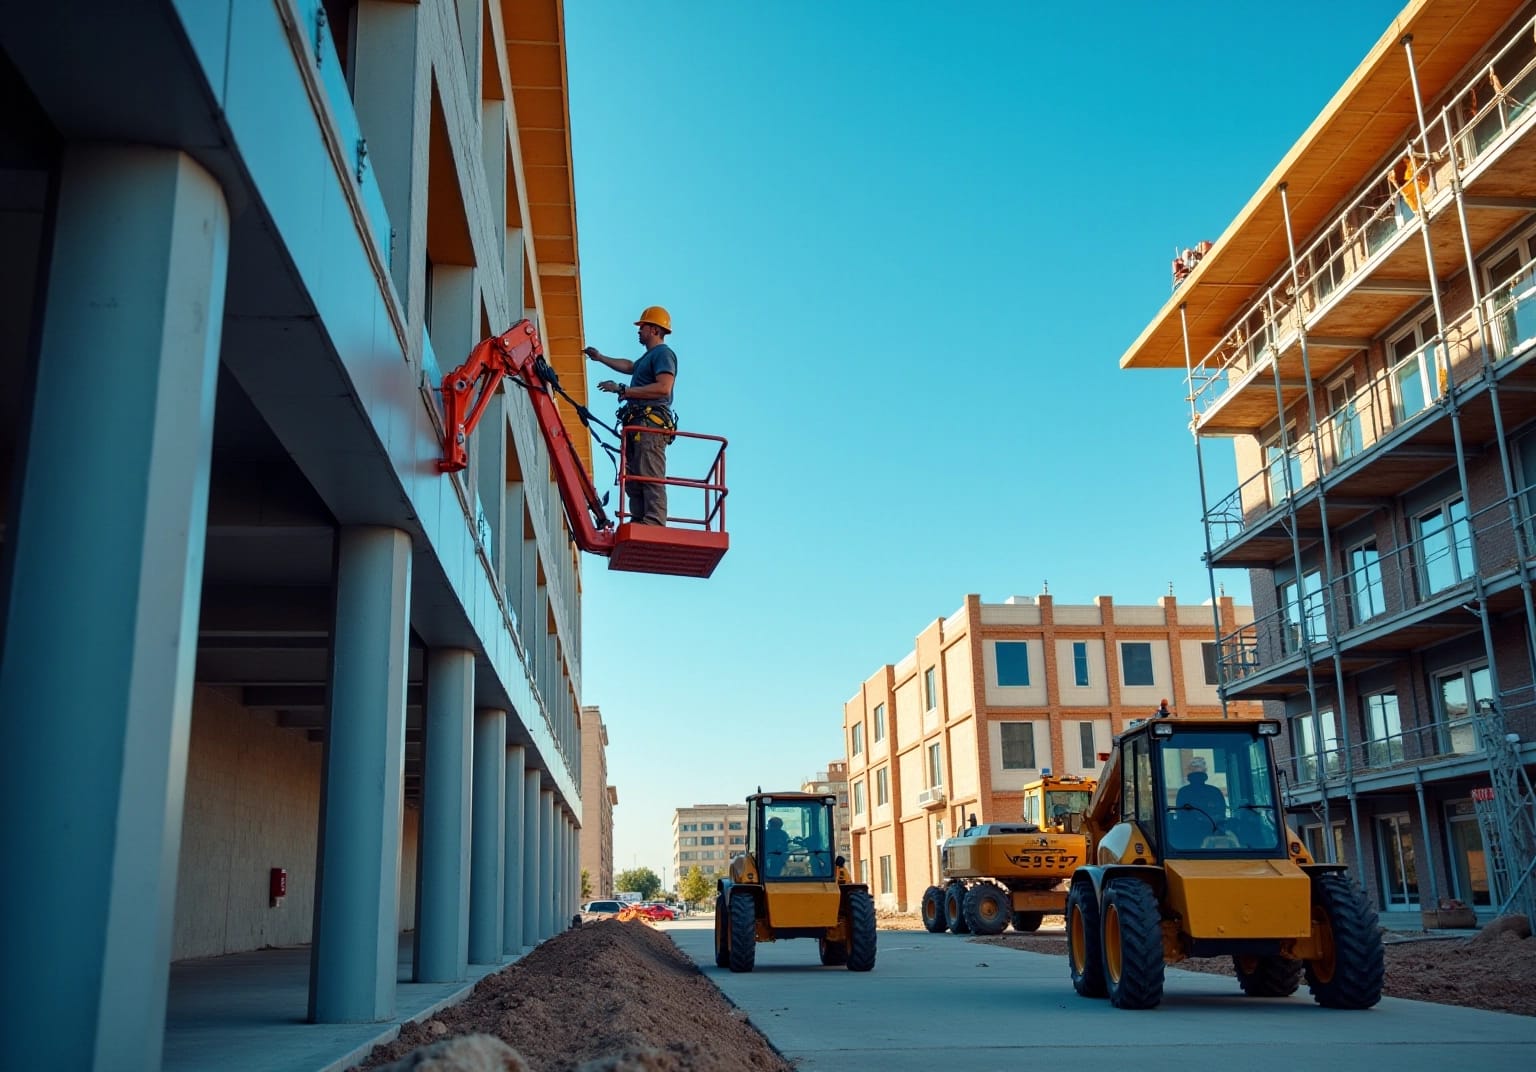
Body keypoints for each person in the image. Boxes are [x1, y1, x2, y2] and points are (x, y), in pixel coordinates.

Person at [583, 306, 677, 526]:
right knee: (635, 478)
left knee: (649, 474)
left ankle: (653, 522)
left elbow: (664, 387)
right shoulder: (648, 357)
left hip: (650, 425)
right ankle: (639, 521)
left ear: (654, 329)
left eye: (642, 326)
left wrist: (624, 390)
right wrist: (600, 358)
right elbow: (630, 366)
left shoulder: (664, 354)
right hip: (638, 426)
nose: (638, 330)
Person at [1174, 756, 1228, 846]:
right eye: (1195, 775)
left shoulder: (1214, 792)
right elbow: (1182, 816)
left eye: (1200, 775)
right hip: (1189, 838)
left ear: (1205, 776)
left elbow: (1221, 814)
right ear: (1189, 777)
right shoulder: (1184, 793)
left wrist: (1212, 820)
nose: (1197, 779)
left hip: (1214, 834)